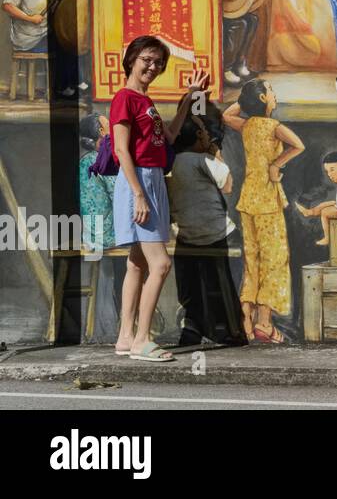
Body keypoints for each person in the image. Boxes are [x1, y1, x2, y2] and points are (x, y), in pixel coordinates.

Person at [110, 34, 210, 362]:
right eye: (147, 60)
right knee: (161, 263)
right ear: (132, 59)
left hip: (151, 179)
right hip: (139, 181)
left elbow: (167, 137)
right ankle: (141, 340)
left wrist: (188, 99)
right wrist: (139, 194)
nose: (152, 67)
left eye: (158, 63)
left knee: (138, 263)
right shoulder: (125, 98)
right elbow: (121, 149)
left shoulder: (144, 100)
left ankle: (126, 338)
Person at [222, 78, 305, 344]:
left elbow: (226, 114)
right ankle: (265, 324)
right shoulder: (274, 126)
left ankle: (247, 320)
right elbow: (299, 145)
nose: (274, 93)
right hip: (267, 199)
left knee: (252, 260)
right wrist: (277, 164)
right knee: (274, 260)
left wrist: (246, 99)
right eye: (270, 91)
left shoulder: (246, 125)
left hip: (248, 199)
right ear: (262, 99)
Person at [169, 112, 243, 346]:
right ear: (200, 136)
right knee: (225, 279)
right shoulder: (204, 160)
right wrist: (217, 154)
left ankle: (192, 324)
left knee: (190, 282)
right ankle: (229, 328)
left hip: (187, 236)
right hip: (218, 235)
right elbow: (228, 185)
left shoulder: (170, 162)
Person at [296, 151, 337, 247]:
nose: (329, 174)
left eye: (332, 169)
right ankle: (309, 212)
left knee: (324, 212)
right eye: (327, 171)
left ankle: (327, 238)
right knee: (325, 204)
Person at [78, 111, 114, 255]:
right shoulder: (101, 160)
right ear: (102, 132)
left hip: (91, 233)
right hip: (106, 234)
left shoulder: (87, 160)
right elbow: (119, 194)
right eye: (108, 125)